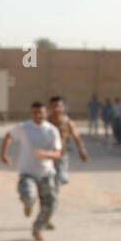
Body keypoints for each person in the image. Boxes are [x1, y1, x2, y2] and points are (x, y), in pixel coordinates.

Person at [0, 102, 62, 241]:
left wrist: (46, 154)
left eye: (41, 112)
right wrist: (3, 154)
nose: (38, 115)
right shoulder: (24, 127)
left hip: (46, 173)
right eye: (35, 112)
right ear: (31, 113)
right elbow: (8, 136)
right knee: (29, 195)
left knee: (51, 203)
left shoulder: (52, 130)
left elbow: (58, 153)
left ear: (46, 113)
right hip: (28, 172)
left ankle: (38, 228)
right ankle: (28, 204)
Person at [46, 96, 89, 229]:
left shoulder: (68, 122)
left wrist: (82, 151)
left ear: (64, 107)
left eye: (59, 106)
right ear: (50, 107)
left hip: (61, 158)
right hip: (47, 159)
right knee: (50, 188)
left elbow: (76, 137)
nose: (57, 109)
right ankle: (47, 217)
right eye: (54, 106)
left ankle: (48, 216)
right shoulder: (45, 122)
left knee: (55, 187)